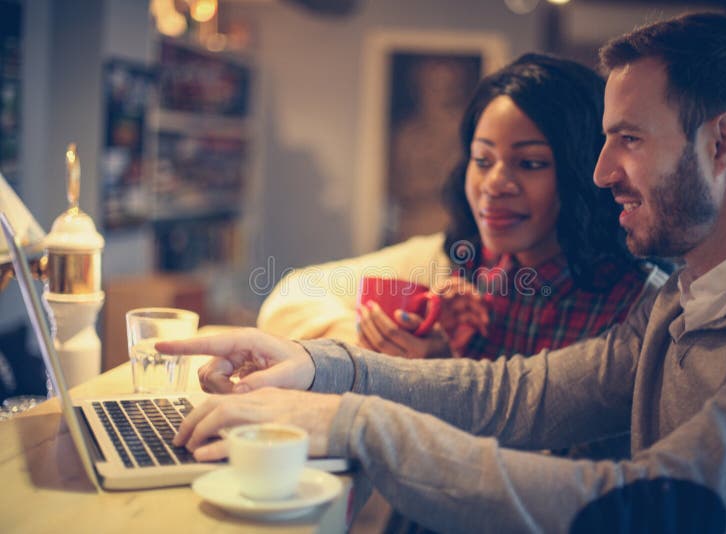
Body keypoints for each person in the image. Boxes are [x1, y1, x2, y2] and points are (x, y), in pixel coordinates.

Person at [161, 12, 726, 533]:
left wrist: (349, 420)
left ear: (722, 145)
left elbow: (652, 507)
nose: (601, 172)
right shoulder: (684, 299)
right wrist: (316, 364)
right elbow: (521, 395)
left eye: (629, 139)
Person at [258, 54, 664, 362]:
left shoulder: (638, 305)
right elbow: (290, 297)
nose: (494, 185)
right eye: (482, 160)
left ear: (584, 169)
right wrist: (373, 339)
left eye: (531, 163)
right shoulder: (460, 260)